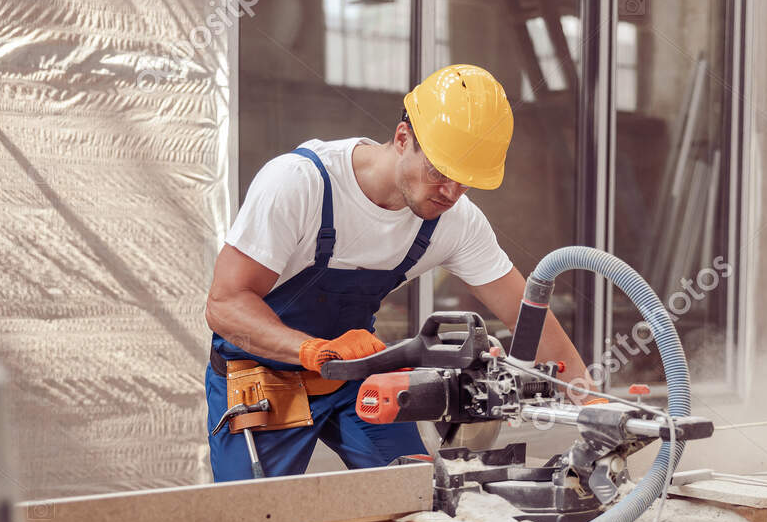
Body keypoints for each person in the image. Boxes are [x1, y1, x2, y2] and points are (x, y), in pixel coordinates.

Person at [203, 63, 591, 480]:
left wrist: (591, 402)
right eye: (440, 172)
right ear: (403, 138)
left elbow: (525, 314)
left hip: (355, 379)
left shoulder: (455, 219)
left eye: (466, 182)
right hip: (263, 379)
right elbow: (225, 305)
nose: (451, 193)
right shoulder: (301, 184)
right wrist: (313, 351)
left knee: (417, 492)